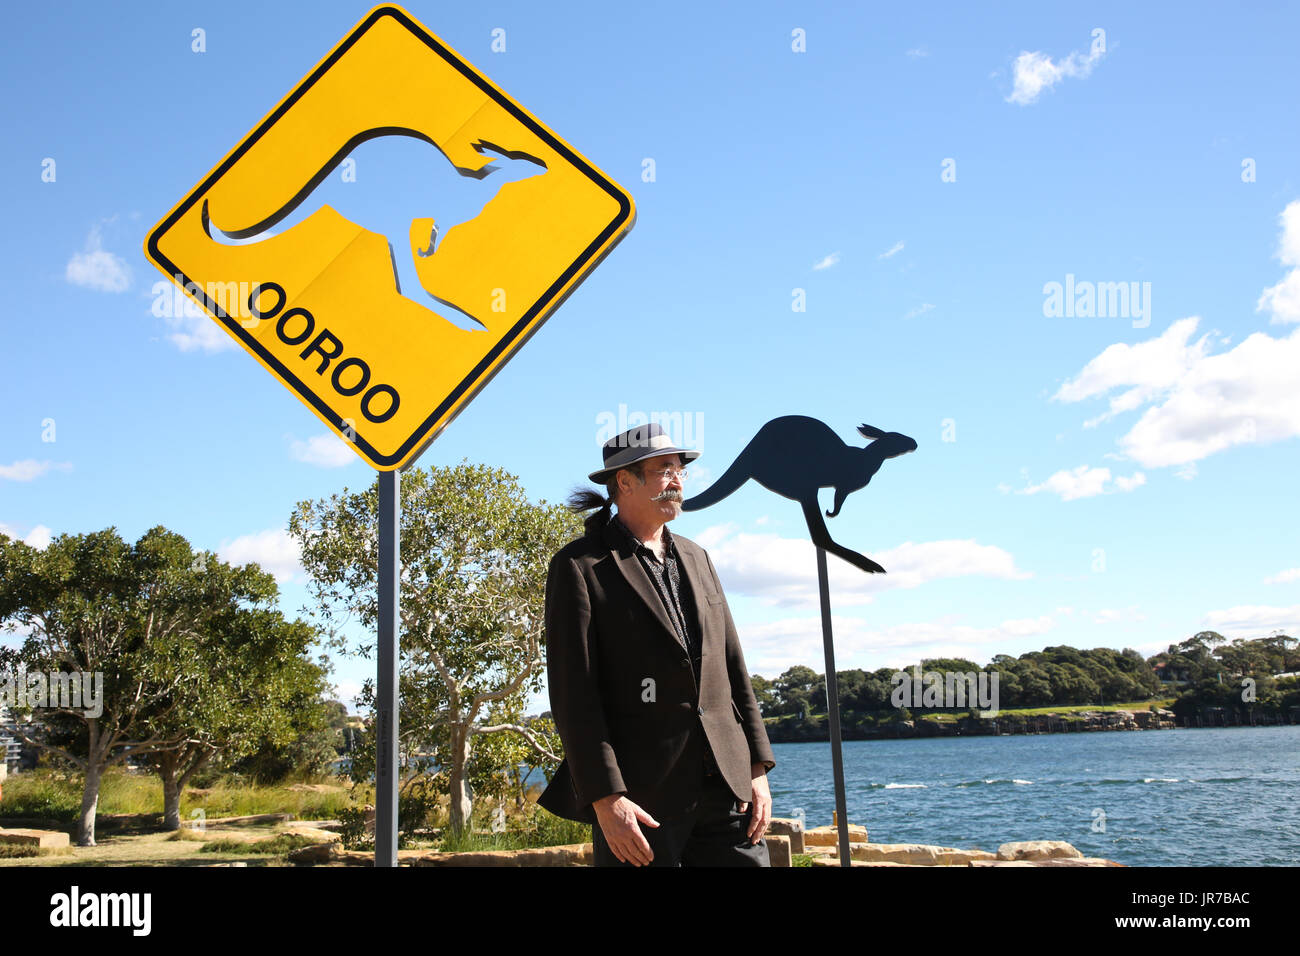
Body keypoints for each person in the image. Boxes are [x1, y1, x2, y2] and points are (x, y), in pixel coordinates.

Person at [537, 422, 776, 867]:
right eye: (664, 469)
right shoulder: (580, 566)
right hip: (641, 804)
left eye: (679, 469)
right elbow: (575, 697)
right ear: (624, 481)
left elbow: (733, 670)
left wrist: (757, 768)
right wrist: (606, 799)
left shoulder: (698, 557)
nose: (678, 480)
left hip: (728, 791)